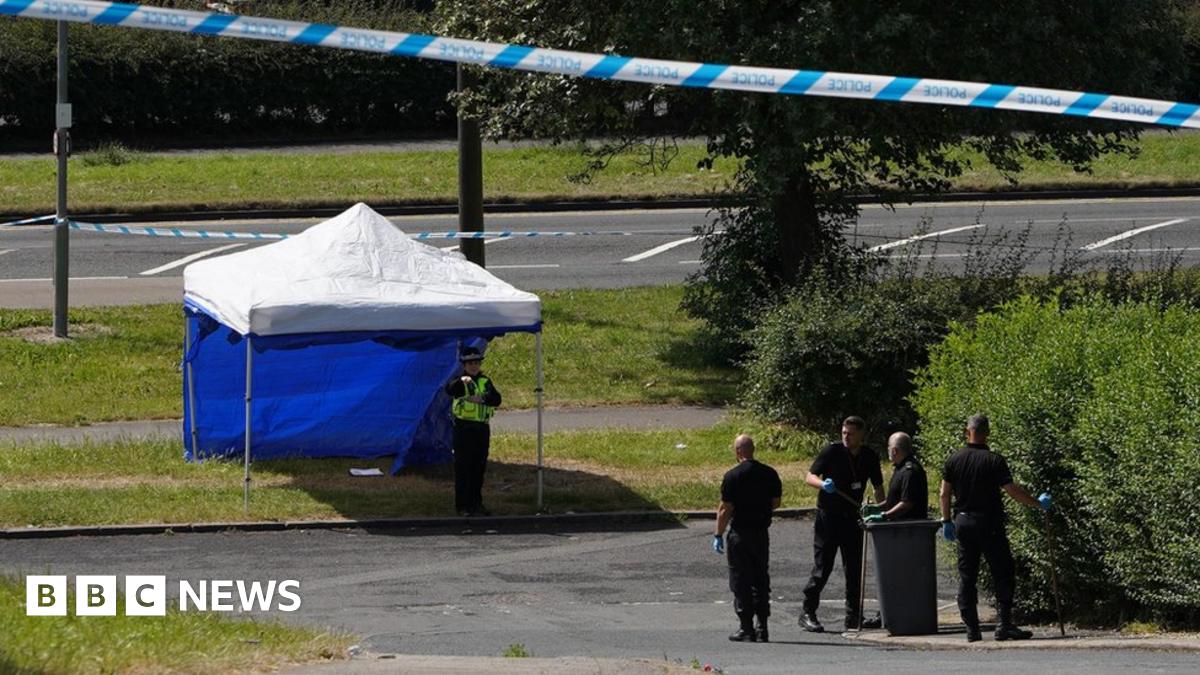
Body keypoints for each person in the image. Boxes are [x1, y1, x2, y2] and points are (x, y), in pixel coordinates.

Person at [940, 414, 1052, 643]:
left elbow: (944, 493)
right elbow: (1012, 490)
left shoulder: (954, 460)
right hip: (988, 523)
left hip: (963, 521)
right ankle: (1004, 624)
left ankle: (972, 629)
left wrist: (946, 520)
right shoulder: (994, 460)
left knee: (967, 576)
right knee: (1002, 572)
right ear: (987, 433)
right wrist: (1038, 504)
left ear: (966, 431)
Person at [800, 416, 885, 633]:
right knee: (823, 566)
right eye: (844, 432)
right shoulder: (832, 451)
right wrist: (822, 484)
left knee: (854, 568)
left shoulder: (869, 456)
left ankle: (853, 615)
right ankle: (808, 611)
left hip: (853, 517)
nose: (846, 437)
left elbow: (877, 486)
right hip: (829, 516)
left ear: (861, 435)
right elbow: (810, 476)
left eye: (851, 433)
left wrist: (880, 510)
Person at [713, 434, 782, 642]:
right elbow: (776, 502)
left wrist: (718, 534)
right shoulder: (769, 473)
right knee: (760, 579)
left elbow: (726, 509)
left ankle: (746, 627)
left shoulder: (732, 476)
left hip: (740, 534)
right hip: (761, 533)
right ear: (753, 450)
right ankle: (763, 626)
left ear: (737, 452)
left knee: (740, 580)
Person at [444, 346, 501, 516]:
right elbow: (450, 389)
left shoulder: (485, 381)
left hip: (481, 429)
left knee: (478, 468)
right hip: (464, 429)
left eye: (476, 363)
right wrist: (462, 380)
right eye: (470, 364)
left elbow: (496, 399)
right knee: (463, 468)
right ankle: (462, 506)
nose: (474, 366)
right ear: (464, 365)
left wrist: (482, 399)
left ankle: (476, 503)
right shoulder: (459, 381)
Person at [862, 431, 928, 523]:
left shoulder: (910, 472)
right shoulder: (900, 468)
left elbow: (907, 503)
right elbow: (894, 500)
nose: (887, 450)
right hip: (898, 527)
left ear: (894, 451)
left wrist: (885, 515)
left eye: (888, 447)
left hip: (910, 528)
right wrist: (878, 507)